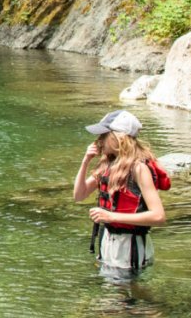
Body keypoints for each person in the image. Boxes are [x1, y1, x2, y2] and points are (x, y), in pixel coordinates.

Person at [72, 110, 169, 277]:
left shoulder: (139, 169)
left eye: (104, 135)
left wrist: (111, 216)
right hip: (109, 241)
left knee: (125, 290)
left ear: (119, 138)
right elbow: (79, 195)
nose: (99, 140)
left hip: (130, 245)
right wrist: (85, 161)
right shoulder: (107, 165)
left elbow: (159, 216)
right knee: (113, 288)